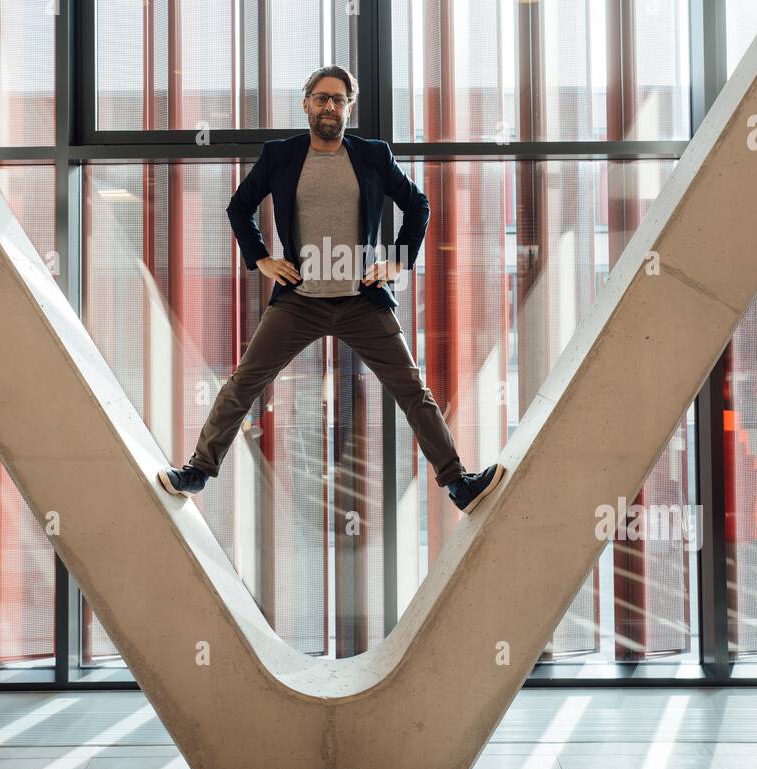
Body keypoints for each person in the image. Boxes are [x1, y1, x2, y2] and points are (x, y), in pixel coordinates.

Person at [158, 64, 504, 514]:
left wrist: (398, 259)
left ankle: (458, 484)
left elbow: (417, 204)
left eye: (338, 100)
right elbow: (239, 207)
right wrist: (261, 259)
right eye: (322, 98)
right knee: (244, 383)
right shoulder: (280, 155)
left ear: (349, 108)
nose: (329, 106)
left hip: (362, 301)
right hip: (299, 301)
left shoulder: (373, 155)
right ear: (306, 103)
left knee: (412, 390)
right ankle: (197, 472)